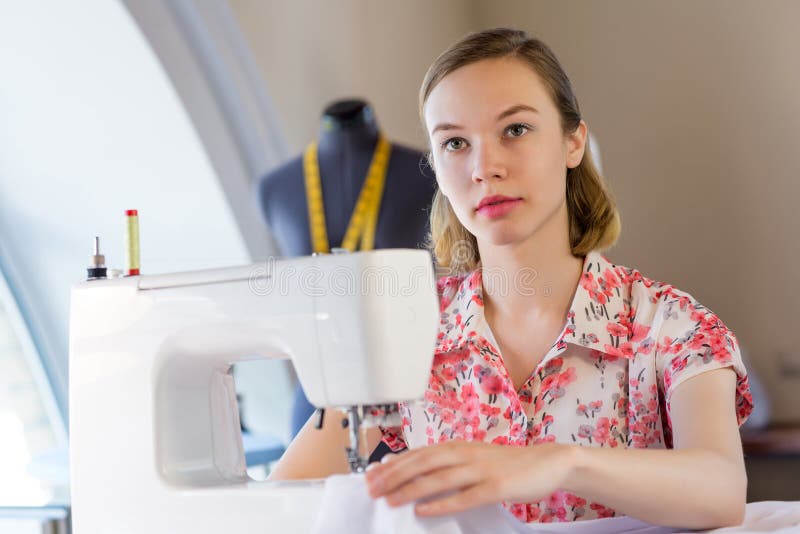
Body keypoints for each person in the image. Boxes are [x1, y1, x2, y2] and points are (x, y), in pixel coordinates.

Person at [269, 28, 753, 530]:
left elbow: (720, 490)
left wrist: (560, 462)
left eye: (515, 130)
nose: (485, 167)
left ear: (573, 143)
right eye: (455, 143)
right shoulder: (402, 332)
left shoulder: (674, 326)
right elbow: (280, 500)